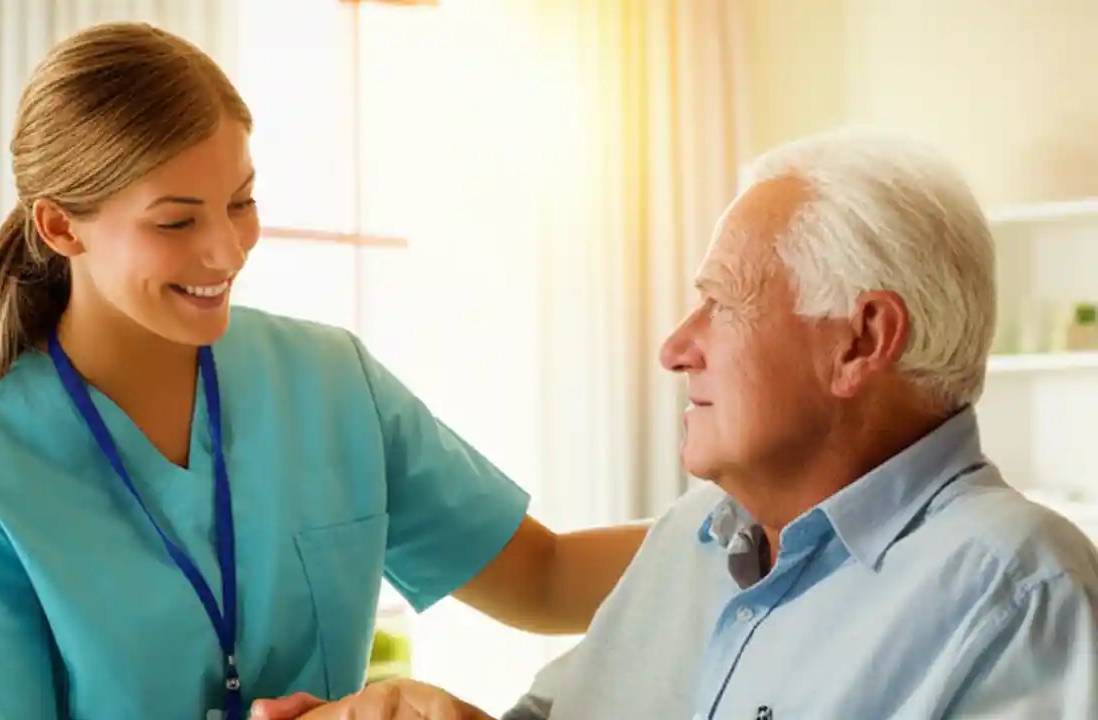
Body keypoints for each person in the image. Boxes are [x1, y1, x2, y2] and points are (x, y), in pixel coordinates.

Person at [0, 22, 648, 720]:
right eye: (177, 221)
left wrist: (719, 526)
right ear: (60, 226)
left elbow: (544, 577)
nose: (227, 251)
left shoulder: (330, 384)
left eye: (242, 202)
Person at [260, 131, 1098, 719]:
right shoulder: (691, 540)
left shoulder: (1021, 592)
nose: (673, 348)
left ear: (860, 341)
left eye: (722, 303)